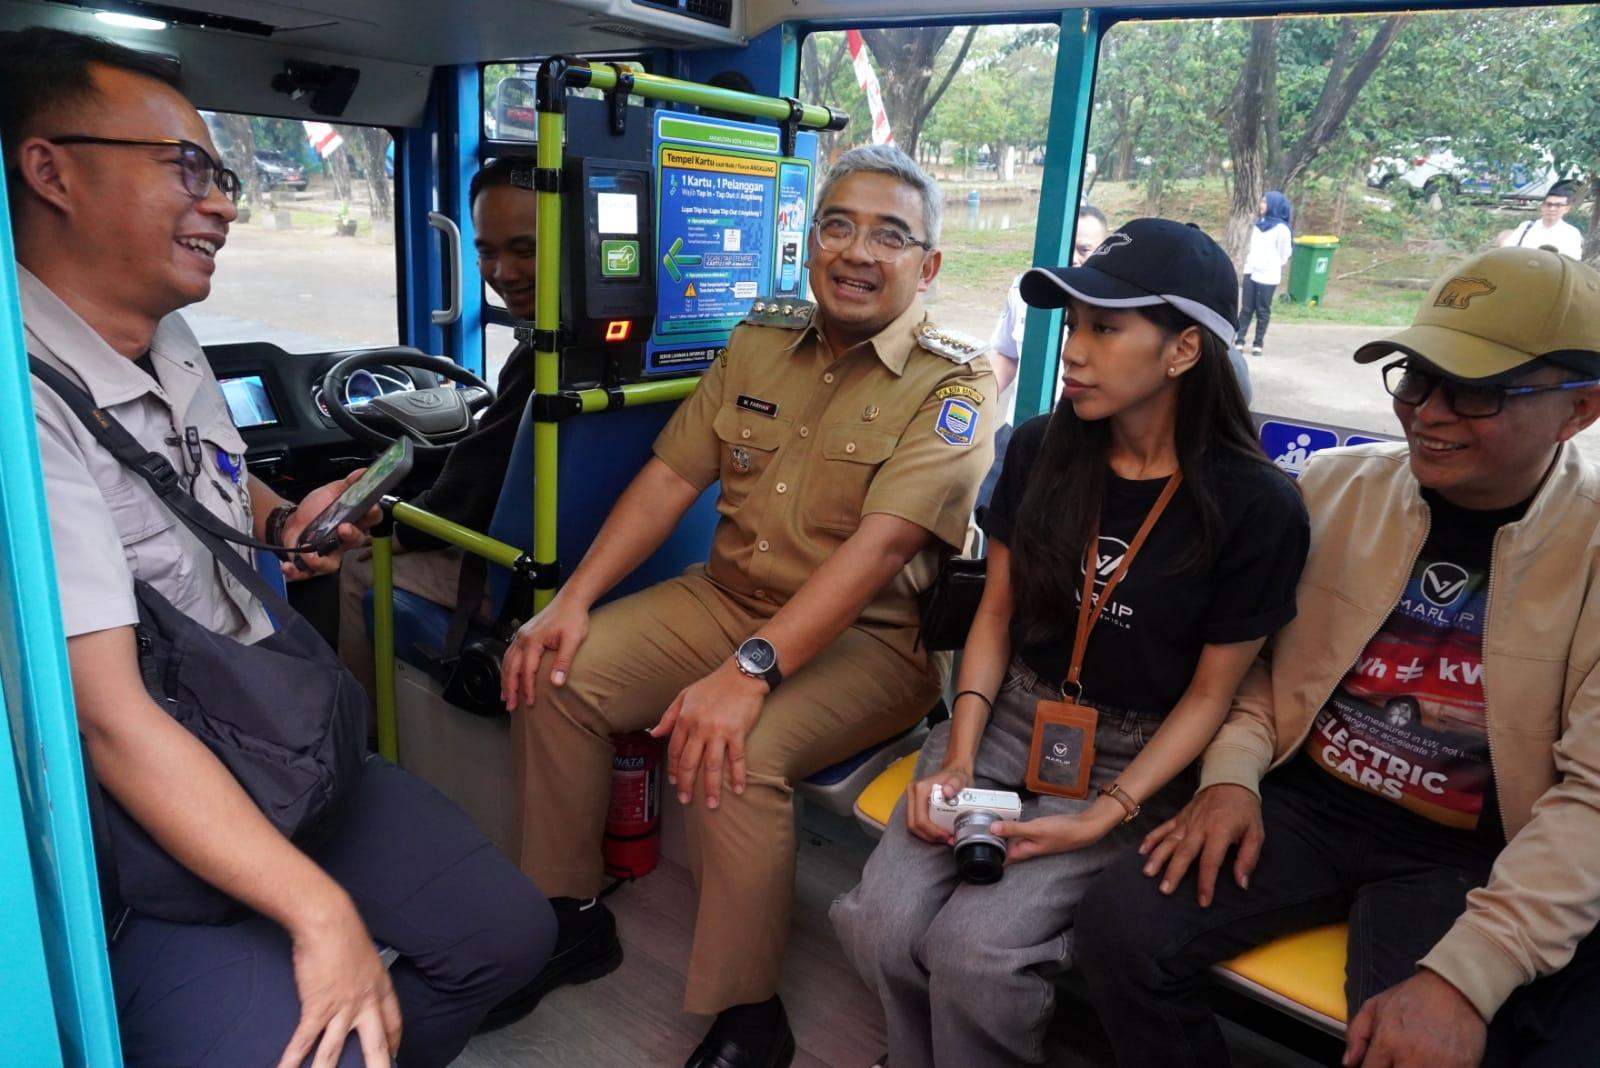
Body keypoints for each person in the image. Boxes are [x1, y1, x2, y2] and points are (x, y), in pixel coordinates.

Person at [4, 27, 554, 1067]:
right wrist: (319, 915)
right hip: (144, 799)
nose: (221, 200)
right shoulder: (22, 405)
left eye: (221, 175)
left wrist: (274, 518)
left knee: (507, 941)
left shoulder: (162, 332)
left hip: (273, 727)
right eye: (188, 168)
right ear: (51, 171)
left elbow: (209, 472)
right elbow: (112, 724)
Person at [495, 143, 997, 1068]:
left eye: (889, 236)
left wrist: (749, 673)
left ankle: (748, 1012)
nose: (856, 251)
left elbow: (879, 550)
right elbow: (668, 475)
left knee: (739, 748)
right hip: (726, 598)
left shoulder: (957, 383)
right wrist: (571, 600)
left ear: (926, 267)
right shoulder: (761, 339)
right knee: (552, 670)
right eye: (837, 226)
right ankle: (566, 915)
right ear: (808, 243)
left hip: (870, 643)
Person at [1076, 246, 1600, 1068]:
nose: (1428, 413)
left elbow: (1589, 805)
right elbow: (1255, 670)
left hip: (1473, 854)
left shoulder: (1592, 552)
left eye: (1475, 392)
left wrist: (1468, 977)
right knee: (1118, 928)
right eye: (1414, 377)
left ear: (1580, 411)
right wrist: (1229, 778)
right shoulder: (1331, 490)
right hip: (1303, 804)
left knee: (1427, 1043)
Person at [831, 219, 1310, 1067]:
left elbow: (1212, 697)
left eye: (1105, 327)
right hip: (1005, 715)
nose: (1073, 350)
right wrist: (956, 756)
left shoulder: (1257, 506)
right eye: (1073, 323)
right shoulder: (1044, 449)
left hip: (1141, 757)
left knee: (975, 955)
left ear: (1184, 350)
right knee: (882, 923)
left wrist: (1104, 817)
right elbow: (993, 617)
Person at [338, 156, 539, 695]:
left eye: (525, 249)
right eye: (487, 251)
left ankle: (363, 739)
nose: (503, 273)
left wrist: (388, 524)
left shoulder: (546, 358)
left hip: (524, 581)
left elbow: (466, 495)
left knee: (360, 565)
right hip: (577, 564)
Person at [975, 205, 1108, 508]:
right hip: (1016, 431)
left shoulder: (1112, 310)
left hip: (1078, 438)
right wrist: (974, 403)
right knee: (986, 512)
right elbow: (1007, 356)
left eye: (1085, 249)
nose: (1074, 258)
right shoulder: (1025, 291)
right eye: (1067, 248)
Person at [1235, 190, 1292, 356]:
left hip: (1268, 275)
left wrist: (1271, 264)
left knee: (1263, 310)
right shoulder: (1257, 225)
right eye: (1262, 201)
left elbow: (1284, 254)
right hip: (1251, 271)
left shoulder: (1282, 229)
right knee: (1246, 309)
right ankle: (1239, 340)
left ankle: (1258, 343)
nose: (1261, 205)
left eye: (1265, 202)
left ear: (1274, 205)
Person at [1496, 183, 1585, 261]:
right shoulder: (1527, 226)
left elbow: (1572, 263)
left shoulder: (1571, 233)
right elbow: (1506, 250)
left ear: (1566, 209)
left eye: (1558, 205)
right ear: (1542, 206)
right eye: (1548, 204)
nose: (1552, 209)